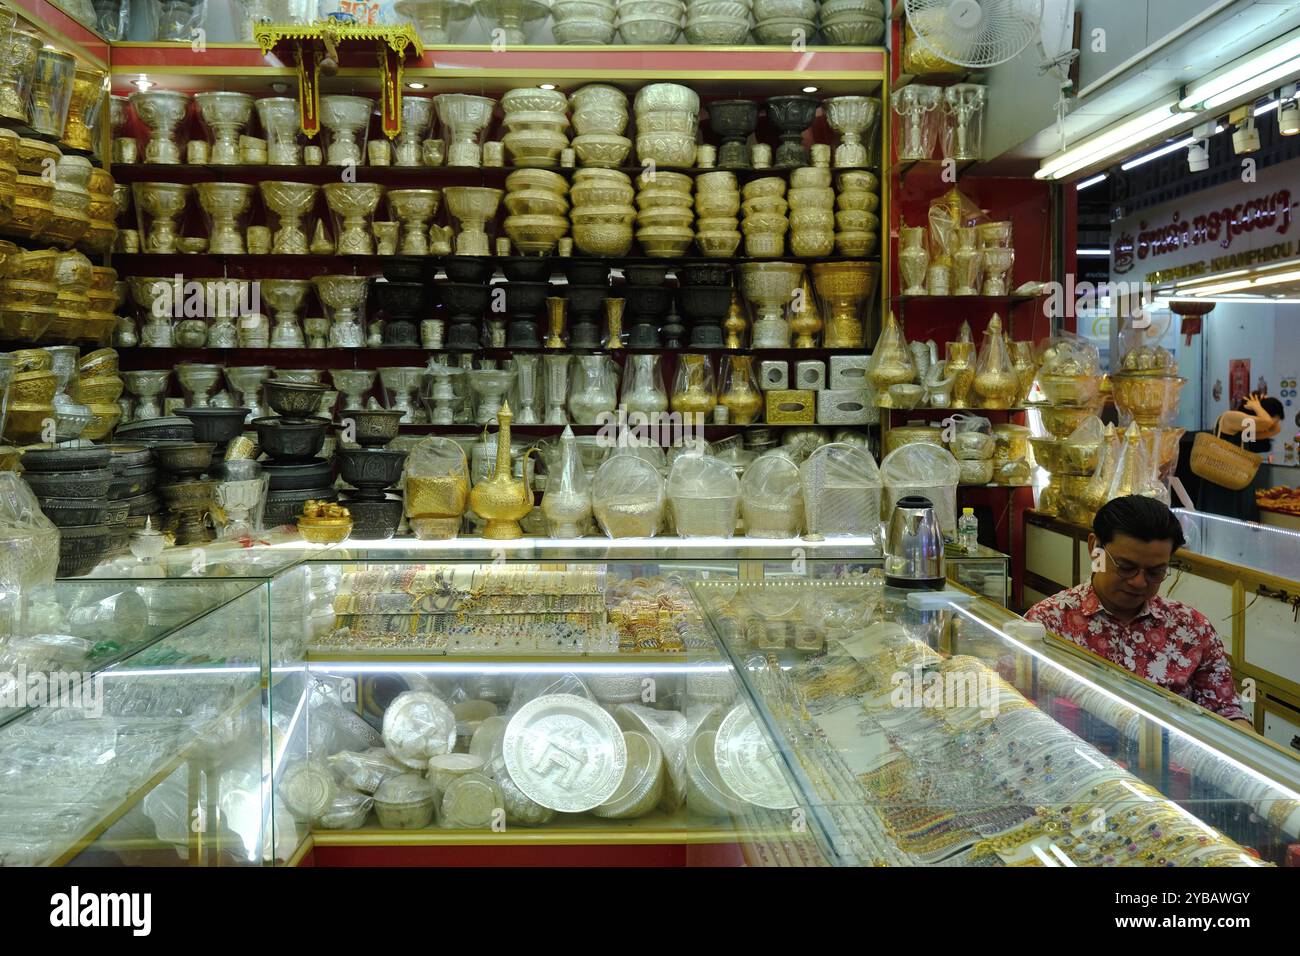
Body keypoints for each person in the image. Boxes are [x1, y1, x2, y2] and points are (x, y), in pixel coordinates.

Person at [1025, 495, 1252, 730]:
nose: (1138, 582)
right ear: (1095, 549)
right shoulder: (1048, 624)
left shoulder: (1192, 628)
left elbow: (1226, 712)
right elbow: (1022, 712)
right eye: (1126, 567)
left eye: (1155, 572)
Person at [1198, 392, 1285, 523]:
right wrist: (1257, 406)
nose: (1272, 423)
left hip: (1238, 478)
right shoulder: (1230, 417)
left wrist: (1263, 407)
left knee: (1242, 520)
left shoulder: (1246, 428)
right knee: (1223, 519)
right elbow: (1266, 422)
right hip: (1222, 477)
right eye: (1274, 418)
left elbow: (1275, 430)